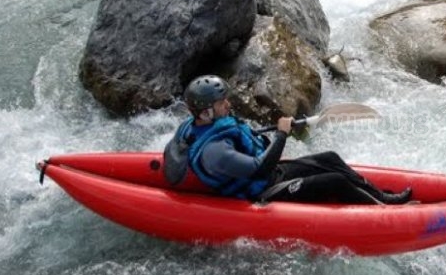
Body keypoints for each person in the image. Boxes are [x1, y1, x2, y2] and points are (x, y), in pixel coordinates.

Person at [163, 75, 412, 205]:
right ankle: (384, 212)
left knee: (330, 159)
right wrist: (281, 134)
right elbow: (260, 169)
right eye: (221, 102)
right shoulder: (214, 151)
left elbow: (246, 141)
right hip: (264, 191)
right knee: (334, 181)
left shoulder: (198, 124)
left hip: (270, 175)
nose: (228, 104)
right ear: (206, 111)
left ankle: (382, 196)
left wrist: (279, 130)